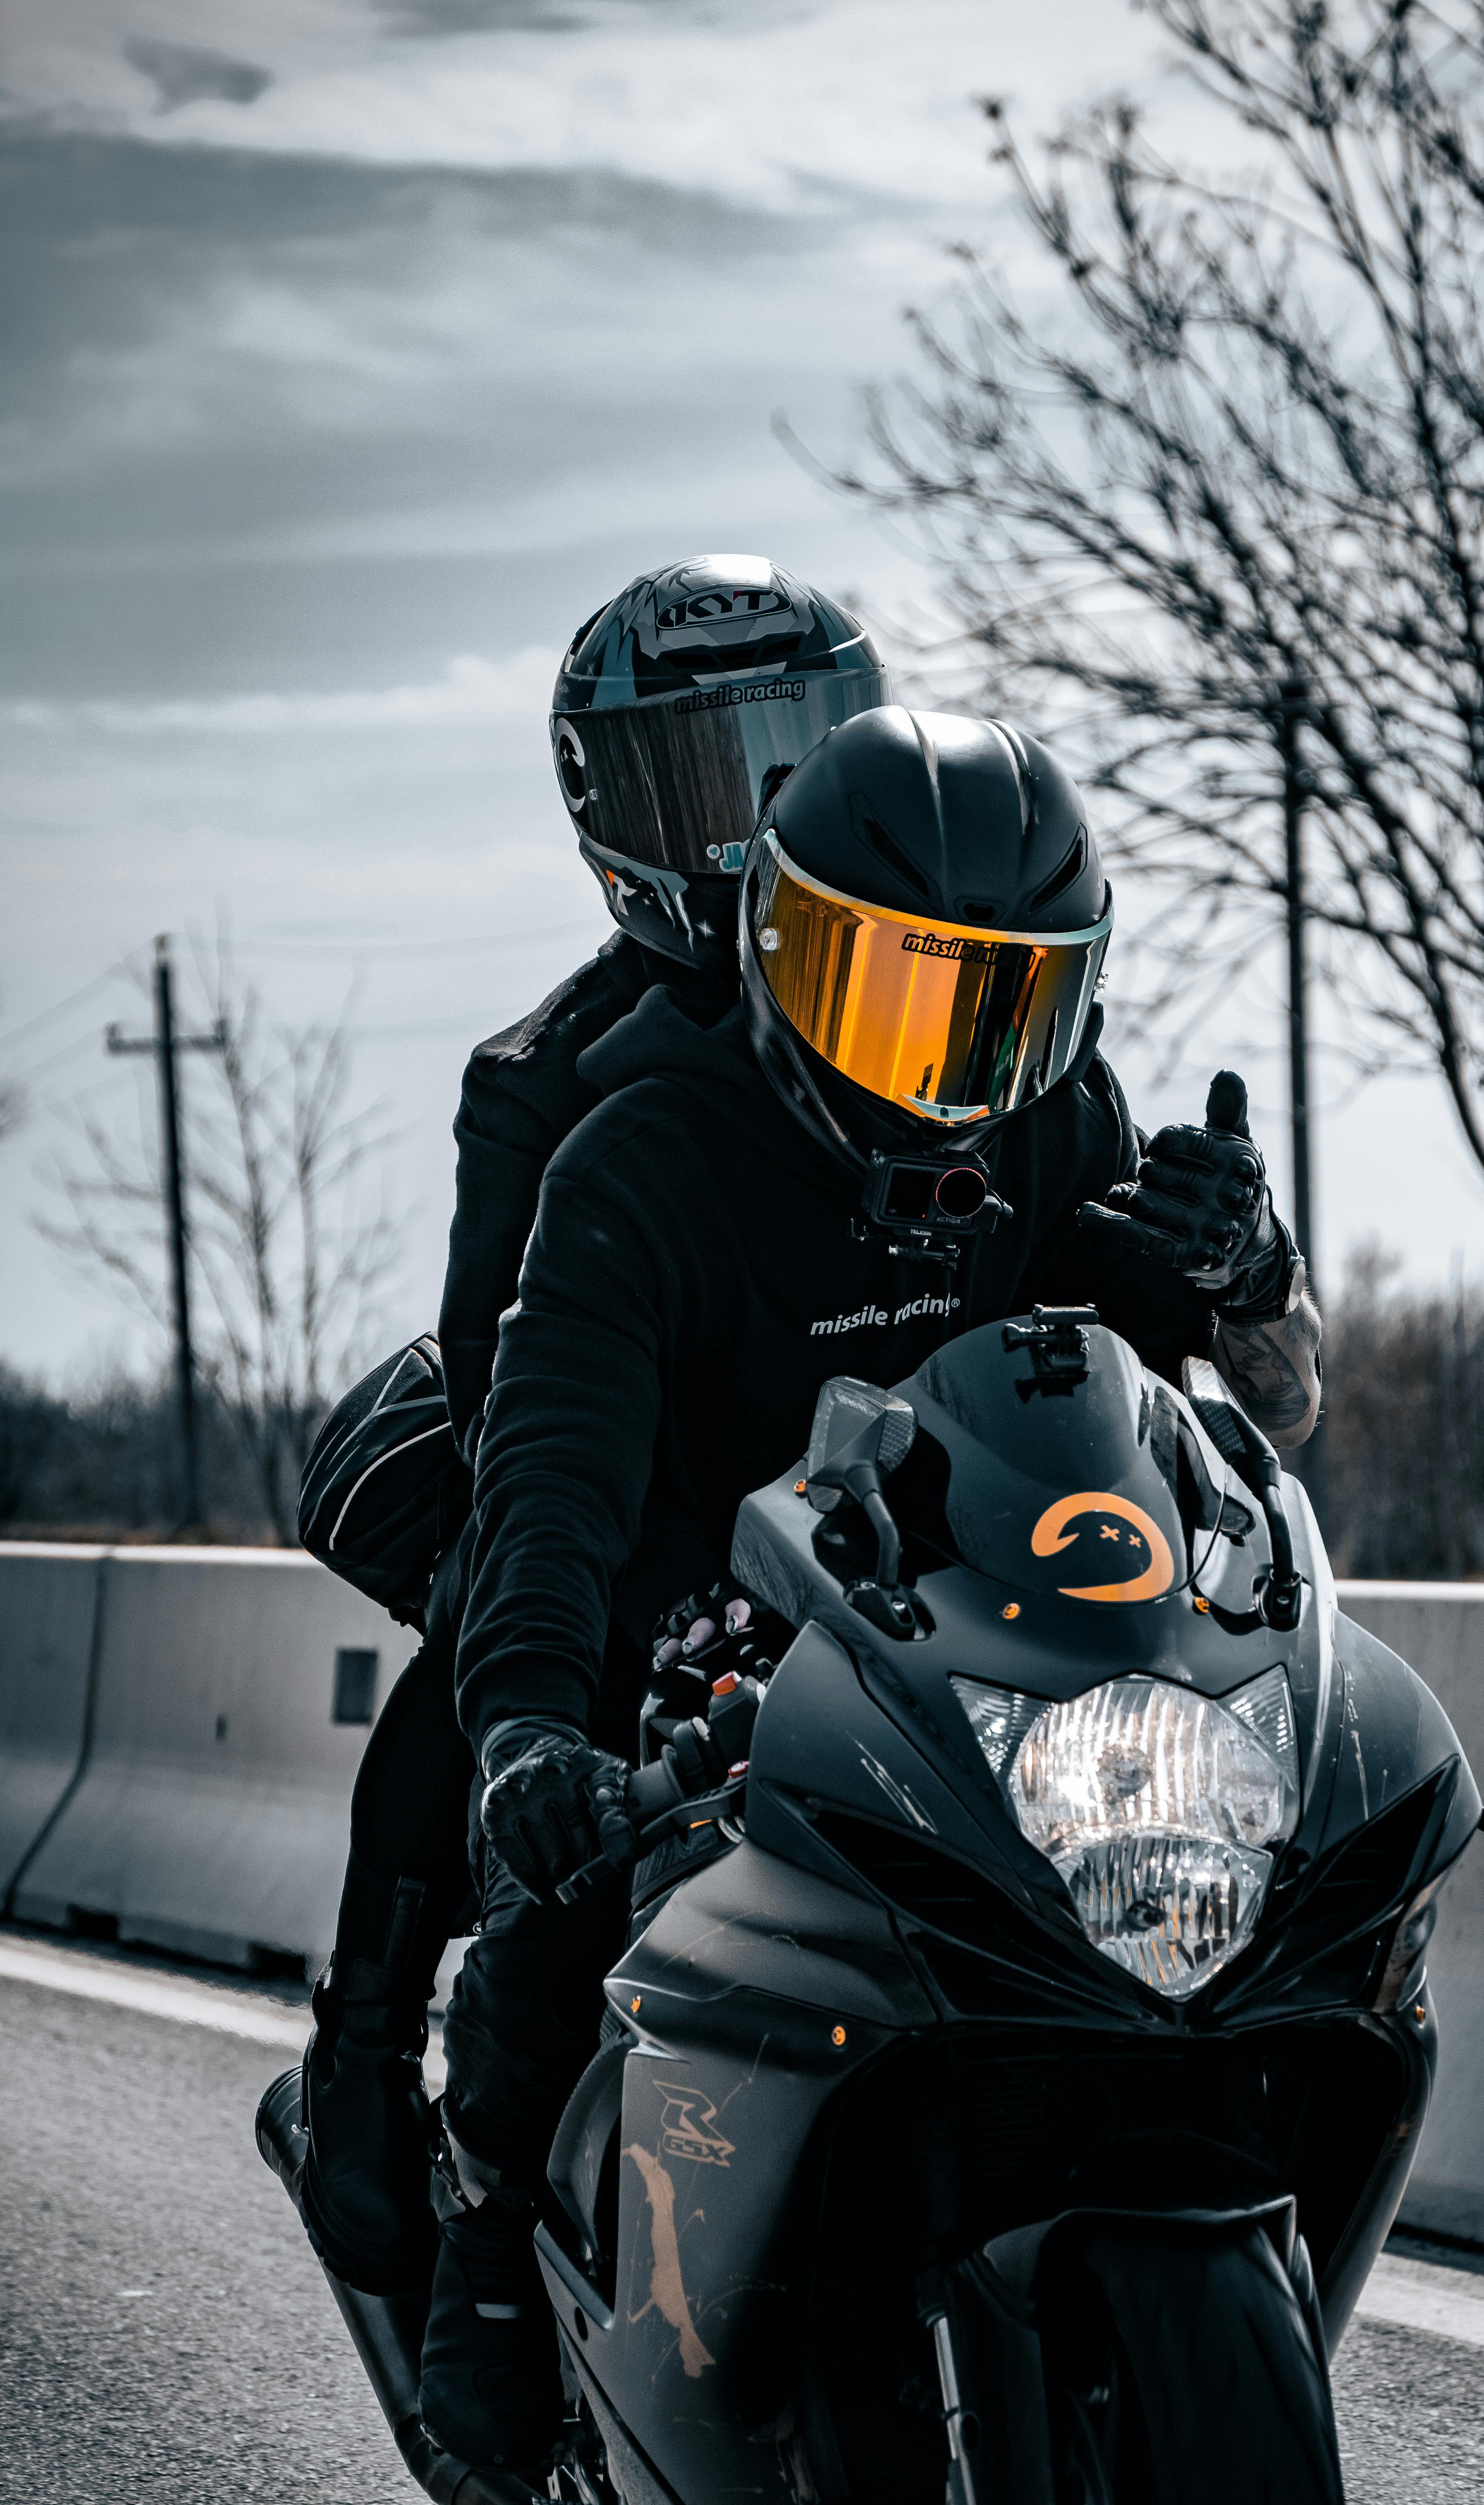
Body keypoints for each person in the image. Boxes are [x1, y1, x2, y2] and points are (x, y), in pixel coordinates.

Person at [420, 703, 1322, 2473]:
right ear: (775, 946)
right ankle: (492, 2272)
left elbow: (1180, 1412)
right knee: (551, 1907)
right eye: (889, 986)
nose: (941, 1057)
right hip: (693, 1642)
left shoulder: (1061, 1133)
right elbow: (547, 1479)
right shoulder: (640, 1160)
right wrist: (529, 1724)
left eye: (996, 1001)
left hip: (976, 1656)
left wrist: (1242, 1265)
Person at [294, 555, 892, 2300]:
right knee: (506, 1582)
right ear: (613, 818)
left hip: (891, 1515)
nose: (760, 822)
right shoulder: (550, 1079)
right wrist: (646, 1608)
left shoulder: (926, 982)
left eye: (799, 757)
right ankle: (376, 2046)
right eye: (714, 780)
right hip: (657, 1505)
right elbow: (519, 1391)